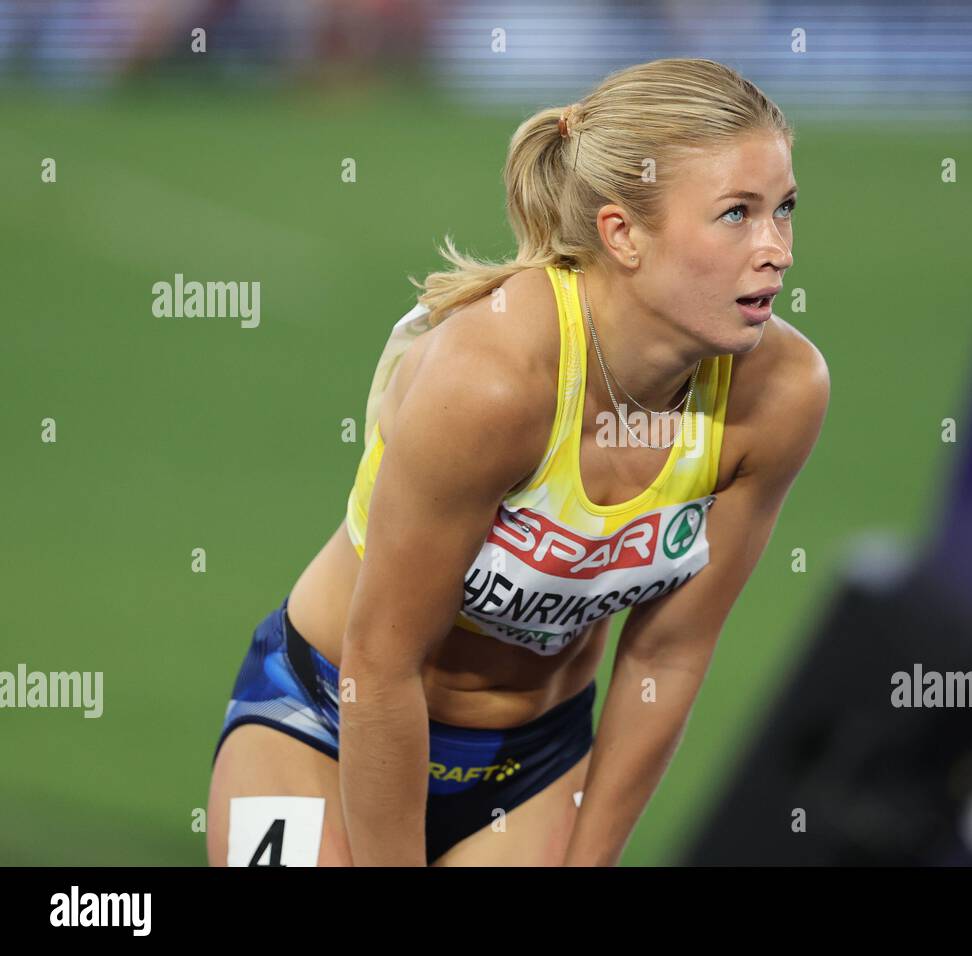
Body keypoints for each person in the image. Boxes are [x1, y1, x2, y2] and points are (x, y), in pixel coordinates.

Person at [206, 57, 829, 867]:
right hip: (328, 716)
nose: (775, 249)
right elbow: (384, 662)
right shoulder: (493, 383)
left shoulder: (779, 395)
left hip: (531, 763)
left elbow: (666, 656)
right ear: (622, 234)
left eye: (783, 209)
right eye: (736, 215)